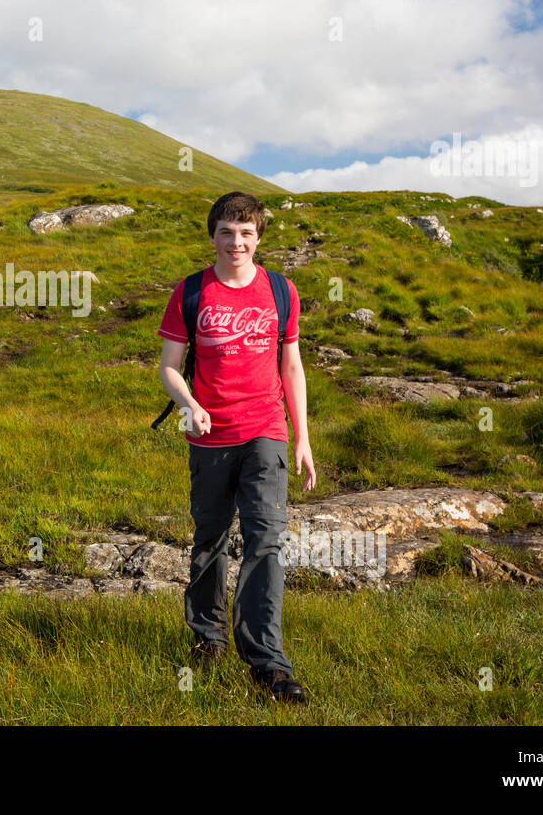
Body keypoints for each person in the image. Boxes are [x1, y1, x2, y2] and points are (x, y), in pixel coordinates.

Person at [157, 191, 317, 704]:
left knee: (265, 542)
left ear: (259, 237)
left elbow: (291, 366)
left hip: (265, 430)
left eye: (246, 233)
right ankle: (208, 639)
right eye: (226, 232)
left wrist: (302, 437)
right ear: (212, 236)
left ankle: (268, 663)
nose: (236, 242)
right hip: (208, 436)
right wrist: (189, 403)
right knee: (210, 539)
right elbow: (166, 366)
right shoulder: (190, 292)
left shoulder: (279, 290)